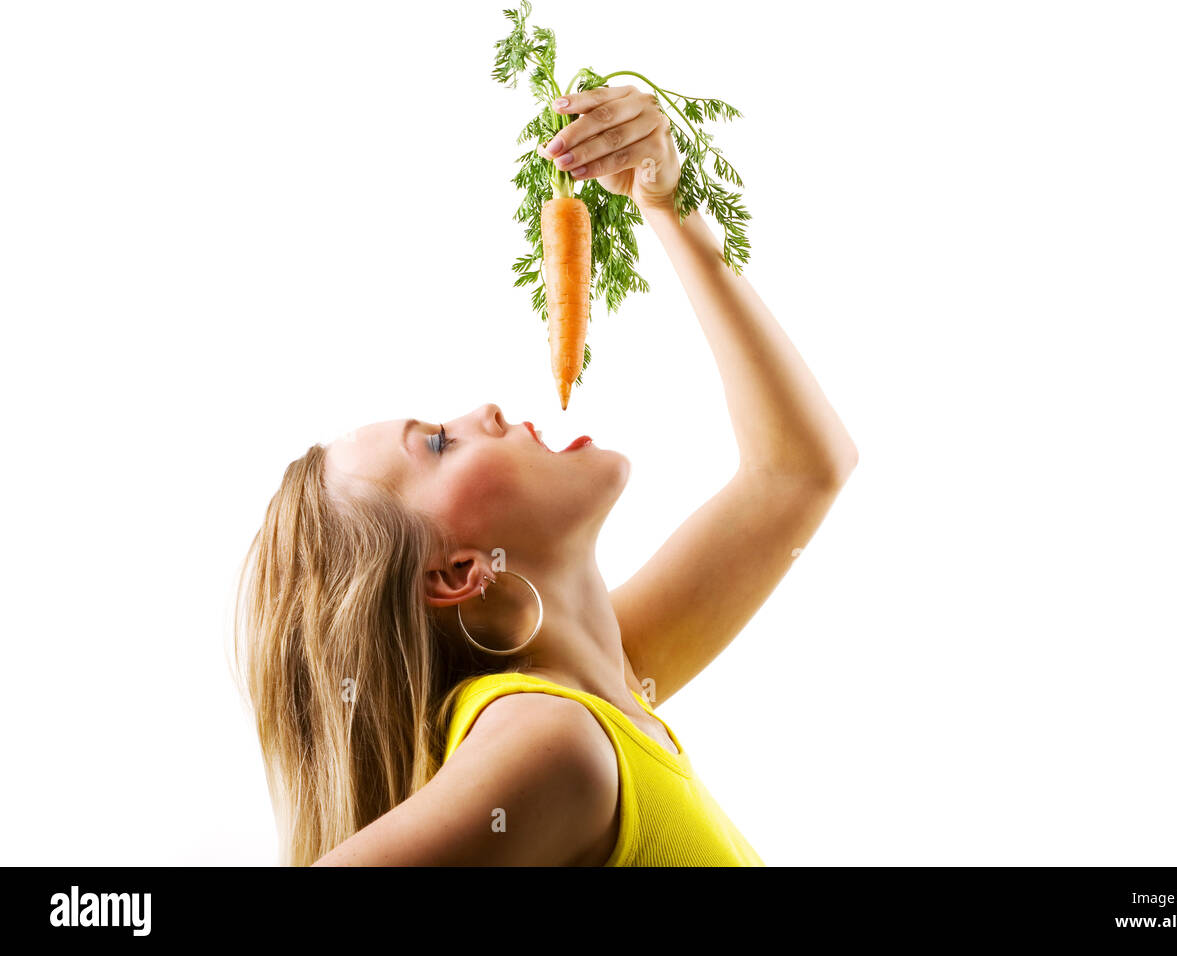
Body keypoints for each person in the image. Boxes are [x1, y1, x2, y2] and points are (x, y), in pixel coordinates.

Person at [234, 85, 858, 866]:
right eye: (436, 445)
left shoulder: (611, 685)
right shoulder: (552, 738)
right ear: (459, 572)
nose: (482, 411)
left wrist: (667, 203)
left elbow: (799, 471)